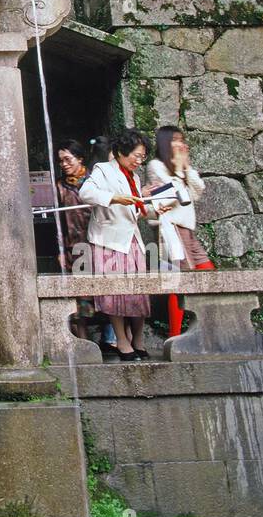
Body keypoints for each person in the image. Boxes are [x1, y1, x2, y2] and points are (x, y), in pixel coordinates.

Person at [78, 128, 171, 362]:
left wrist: (155, 208)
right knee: (115, 293)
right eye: (136, 156)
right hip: (109, 241)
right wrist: (114, 197)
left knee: (138, 293)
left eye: (143, 157)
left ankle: (138, 339)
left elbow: (135, 211)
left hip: (131, 240)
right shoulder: (103, 170)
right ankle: (121, 340)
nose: (139, 162)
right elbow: (86, 193)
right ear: (120, 151)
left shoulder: (135, 178)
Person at [146, 125, 213, 336]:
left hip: (187, 229)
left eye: (182, 139)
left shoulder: (181, 168)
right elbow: (176, 195)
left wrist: (185, 168)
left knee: (207, 272)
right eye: (175, 139)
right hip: (171, 228)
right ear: (165, 142)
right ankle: (175, 335)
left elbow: (197, 191)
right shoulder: (156, 166)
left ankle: (205, 326)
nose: (181, 144)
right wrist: (178, 169)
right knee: (180, 280)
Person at [55, 138, 97, 344]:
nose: (64, 164)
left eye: (67, 159)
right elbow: (58, 221)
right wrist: (61, 249)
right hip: (74, 245)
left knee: (102, 289)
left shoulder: (95, 180)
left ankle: (110, 337)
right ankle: (83, 338)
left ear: (80, 158)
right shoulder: (61, 186)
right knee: (80, 292)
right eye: (61, 161)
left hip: (97, 242)